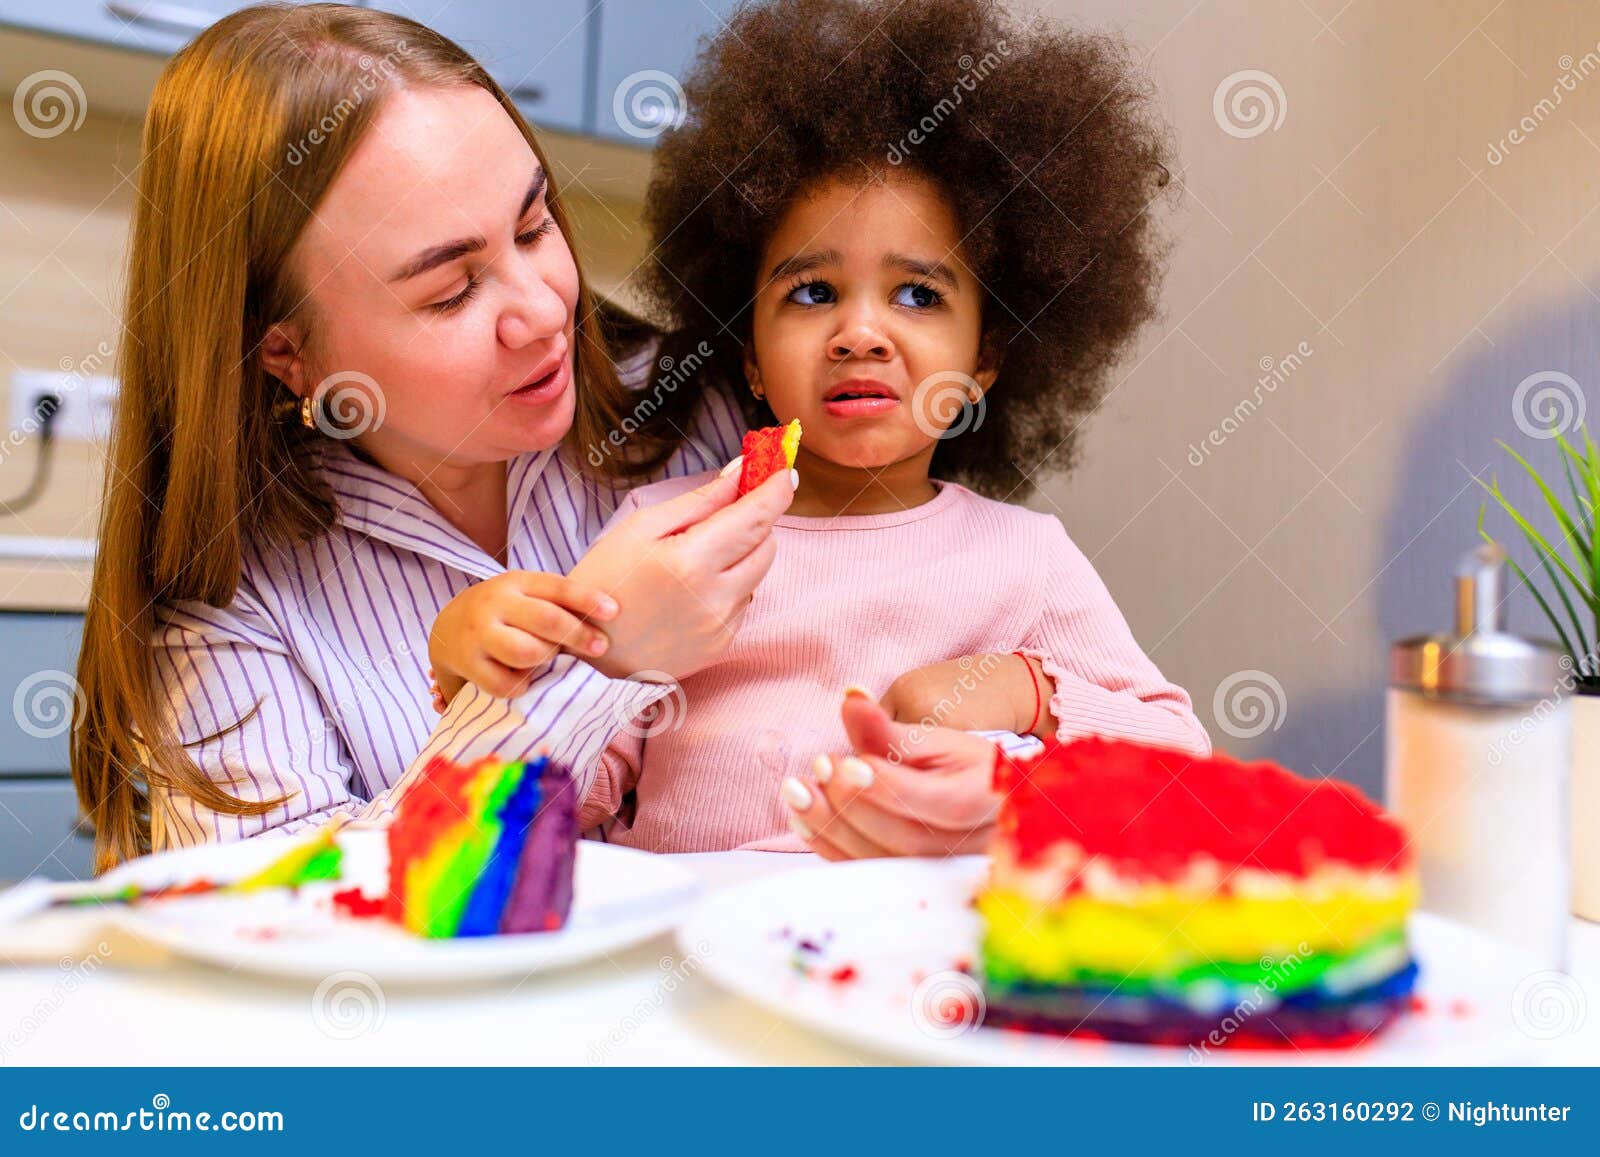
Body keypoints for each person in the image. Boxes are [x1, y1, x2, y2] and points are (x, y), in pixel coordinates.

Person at [425, 0, 1210, 857]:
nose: (860, 333)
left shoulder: (1028, 558)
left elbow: (1181, 763)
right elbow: (552, 811)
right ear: (750, 357)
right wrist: (505, 676)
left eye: (919, 294)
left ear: (985, 358)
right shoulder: (674, 533)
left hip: (908, 964)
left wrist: (1029, 691)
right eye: (811, 292)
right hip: (688, 960)